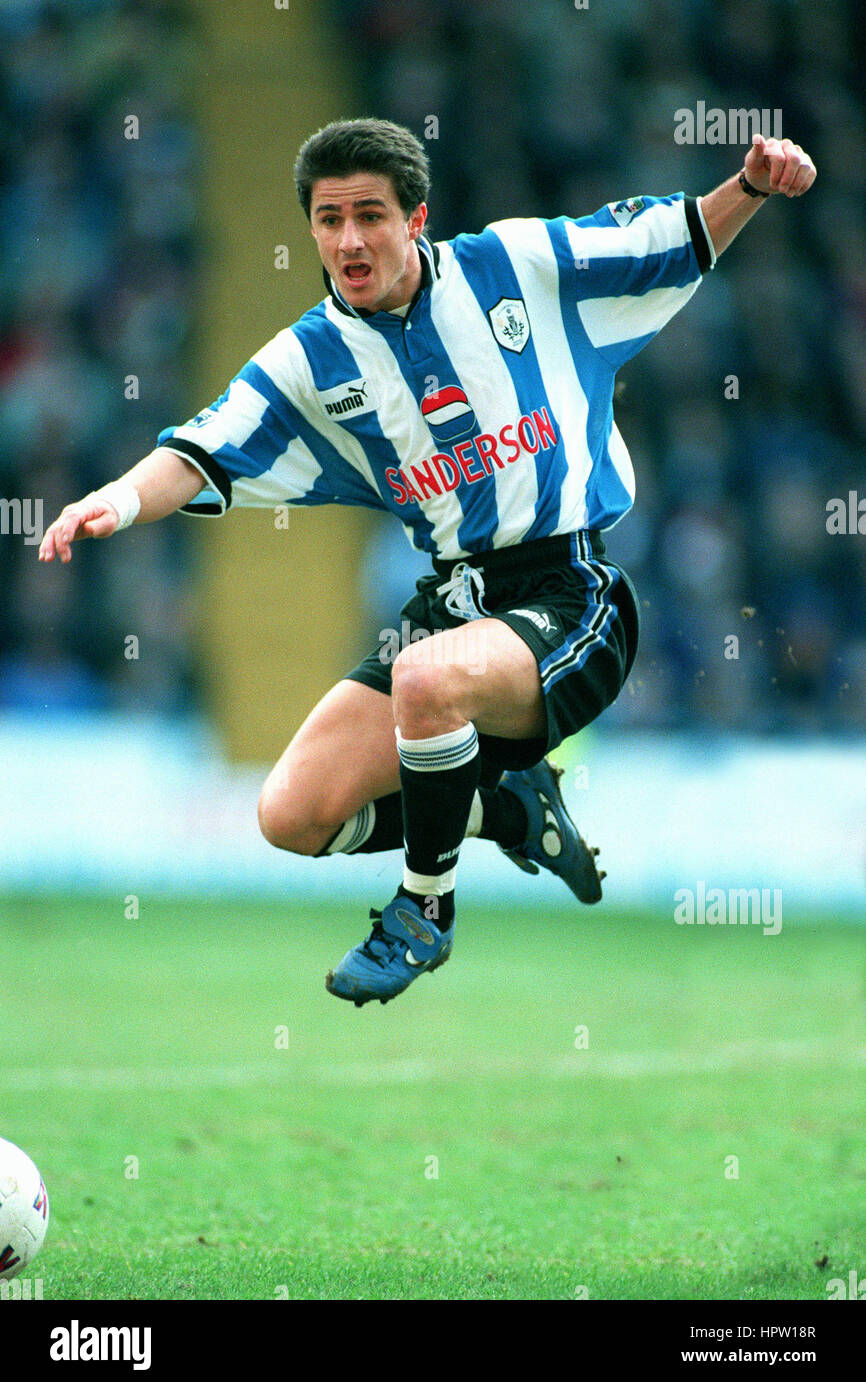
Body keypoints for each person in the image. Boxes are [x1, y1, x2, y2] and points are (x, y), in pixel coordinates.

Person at [39, 118, 816, 1007]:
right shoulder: (310, 359)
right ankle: (511, 809)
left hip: (573, 592)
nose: (349, 240)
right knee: (291, 816)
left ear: (417, 219)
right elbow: (204, 449)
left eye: (370, 214)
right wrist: (116, 500)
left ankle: (424, 910)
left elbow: (662, 244)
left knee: (426, 682)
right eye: (328, 221)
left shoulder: (516, 265)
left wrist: (750, 187)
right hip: (454, 598)